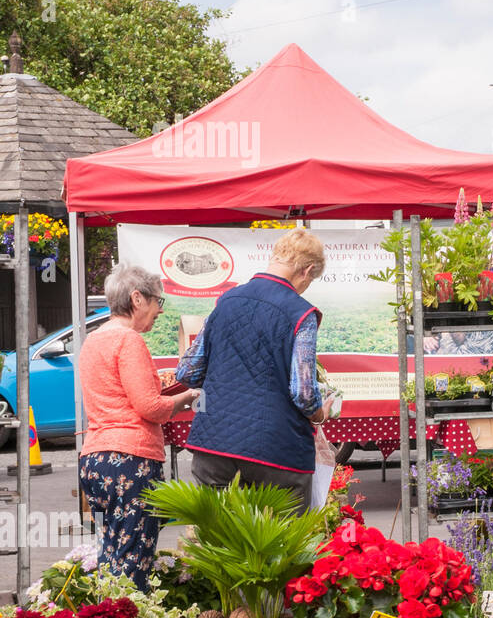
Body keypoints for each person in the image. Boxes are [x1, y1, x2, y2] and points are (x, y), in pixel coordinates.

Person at [177, 228, 330, 511]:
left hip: (213, 443)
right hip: (276, 450)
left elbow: (188, 371)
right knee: (283, 546)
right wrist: (321, 412)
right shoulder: (302, 313)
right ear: (307, 271)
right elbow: (303, 392)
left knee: (219, 542)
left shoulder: (226, 301)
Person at [79, 264, 202, 587]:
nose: (159, 310)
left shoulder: (93, 340)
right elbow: (150, 408)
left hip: (95, 458)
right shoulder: (128, 340)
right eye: (157, 301)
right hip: (130, 460)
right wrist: (186, 397)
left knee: (112, 552)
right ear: (137, 298)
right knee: (135, 556)